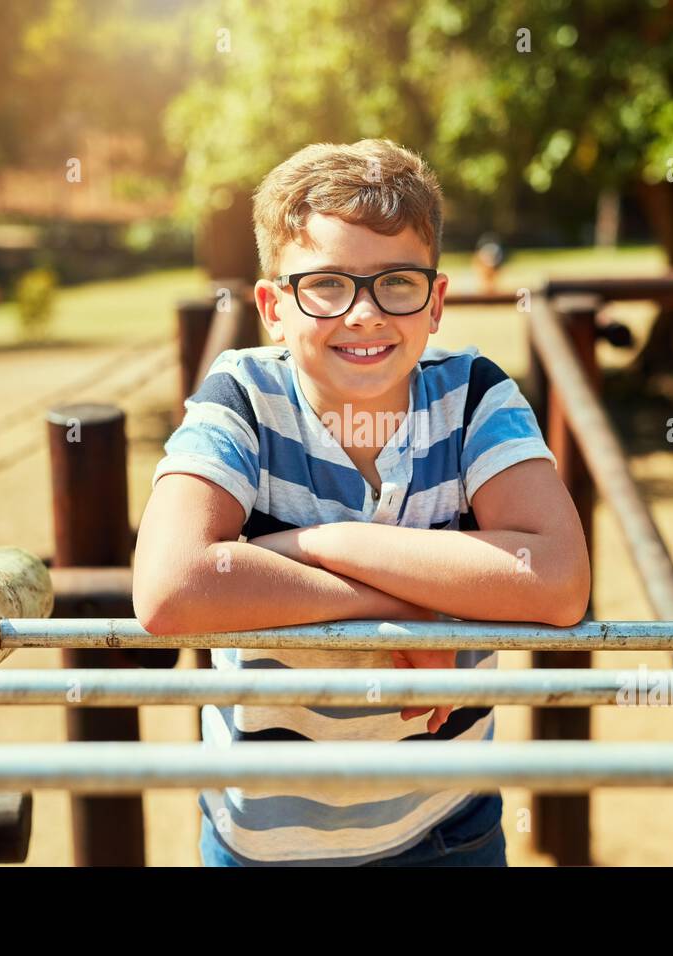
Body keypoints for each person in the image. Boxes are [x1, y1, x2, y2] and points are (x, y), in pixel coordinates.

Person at [133, 139, 590, 867]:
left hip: (448, 827)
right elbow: (170, 587)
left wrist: (325, 542)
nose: (364, 315)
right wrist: (402, 612)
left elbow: (559, 581)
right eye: (326, 286)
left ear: (436, 301)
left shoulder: (472, 396)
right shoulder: (243, 399)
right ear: (273, 307)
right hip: (264, 842)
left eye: (396, 284)